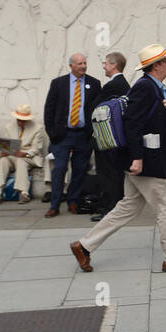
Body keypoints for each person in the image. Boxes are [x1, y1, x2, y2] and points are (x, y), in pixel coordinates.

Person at [69, 44, 166, 274]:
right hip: (147, 162)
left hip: (147, 160)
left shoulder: (158, 87)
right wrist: (137, 158)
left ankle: (84, 245)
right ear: (157, 66)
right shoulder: (145, 87)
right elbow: (132, 123)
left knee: (127, 207)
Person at [44, 53, 103, 218]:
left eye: (85, 63)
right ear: (71, 66)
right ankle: (54, 205)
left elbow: (97, 109)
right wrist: (52, 133)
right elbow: (49, 110)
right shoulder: (58, 83)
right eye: (79, 63)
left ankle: (73, 201)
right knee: (60, 169)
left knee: (80, 170)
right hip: (62, 135)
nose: (83, 66)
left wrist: (91, 132)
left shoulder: (94, 83)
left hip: (83, 136)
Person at [91, 52, 130, 220]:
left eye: (105, 63)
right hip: (116, 138)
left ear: (114, 65)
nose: (104, 66)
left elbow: (94, 108)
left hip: (108, 139)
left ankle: (111, 209)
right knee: (114, 173)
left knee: (109, 174)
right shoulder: (123, 84)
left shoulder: (113, 86)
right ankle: (114, 207)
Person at [0, 104, 45, 203]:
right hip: (12, 155)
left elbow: (36, 148)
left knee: (21, 161)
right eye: (19, 120)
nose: (20, 122)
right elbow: (5, 145)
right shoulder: (9, 127)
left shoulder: (37, 128)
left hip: (29, 156)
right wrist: (4, 152)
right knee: (2, 162)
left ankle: (24, 193)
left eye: (23, 120)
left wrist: (25, 154)